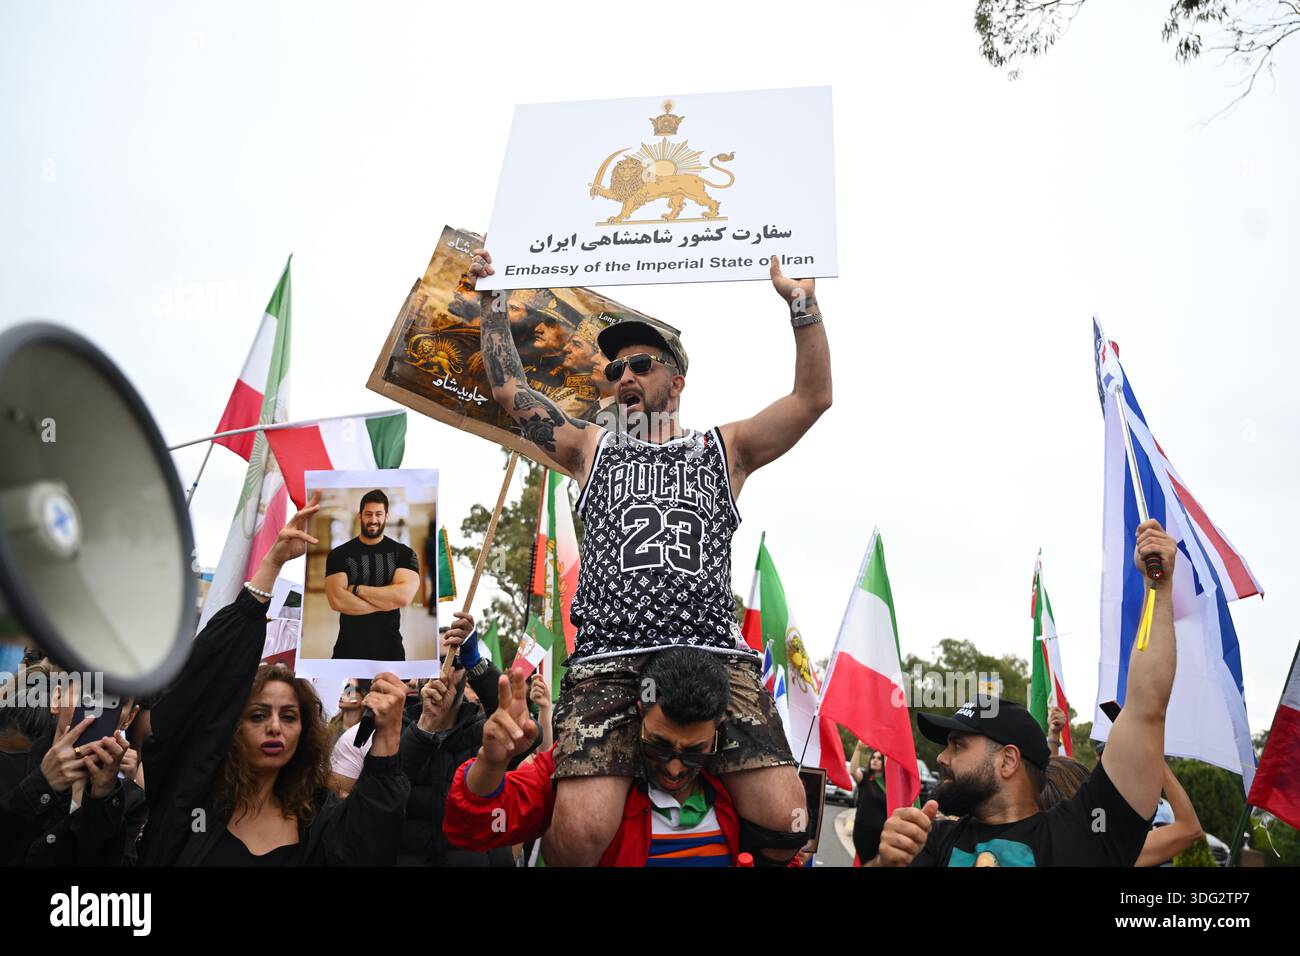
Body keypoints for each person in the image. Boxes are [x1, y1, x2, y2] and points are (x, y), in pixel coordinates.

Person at [468, 246, 831, 865]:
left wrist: (803, 305)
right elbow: (510, 391)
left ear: (677, 381)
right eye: (614, 370)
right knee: (581, 834)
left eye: (640, 363)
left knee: (790, 817)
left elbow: (811, 398)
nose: (624, 377)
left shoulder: (728, 449)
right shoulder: (589, 449)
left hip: (713, 652)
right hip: (610, 655)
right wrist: (493, 304)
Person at [872, 519, 1179, 867]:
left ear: (1007, 760)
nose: (941, 758)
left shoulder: (1084, 834)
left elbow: (1146, 706)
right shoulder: (932, 841)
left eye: (958, 744)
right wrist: (887, 862)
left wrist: (1158, 586)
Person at [139, 496, 411, 866]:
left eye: (288, 716)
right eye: (257, 715)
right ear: (232, 725)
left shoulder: (316, 822)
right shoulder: (191, 792)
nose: (273, 728)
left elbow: (370, 846)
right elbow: (201, 678)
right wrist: (273, 562)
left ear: (305, 732)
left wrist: (389, 737)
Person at [445, 647, 775, 867]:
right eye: (659, 744)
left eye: (694, 752)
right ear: (639, 711)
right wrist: (491, 763)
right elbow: (472, 830)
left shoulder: (739, 784)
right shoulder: (586, 768)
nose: (674, 768)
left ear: (719, 729)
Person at [395, 612, 519, 866]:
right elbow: (385, 788)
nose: (443, 671)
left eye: (456, 663)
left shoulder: (482, 731)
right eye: (436, 661)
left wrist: (476, 663)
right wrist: (426, 726)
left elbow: (517, 726)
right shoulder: (395, 729)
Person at [325, 489, 421, 661]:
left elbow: (402, 597)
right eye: (368, 514)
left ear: (387, 515)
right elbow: (337, 600)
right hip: (347, 651)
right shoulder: (339, 555)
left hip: (390, 652)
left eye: (378, 514)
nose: (373, 520)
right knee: (345, 690)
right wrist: (386, 602)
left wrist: (356, 590)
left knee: (393, 689)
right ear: (360, 516)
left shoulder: (404, 554)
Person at [850, 744, 888, 864]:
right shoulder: (865, 778)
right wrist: (858, 749)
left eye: (878, 758)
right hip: (863, 832)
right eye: (873, 757)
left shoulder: (889, 785)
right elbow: (852, 771)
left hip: (882, 835)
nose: (875, 760)